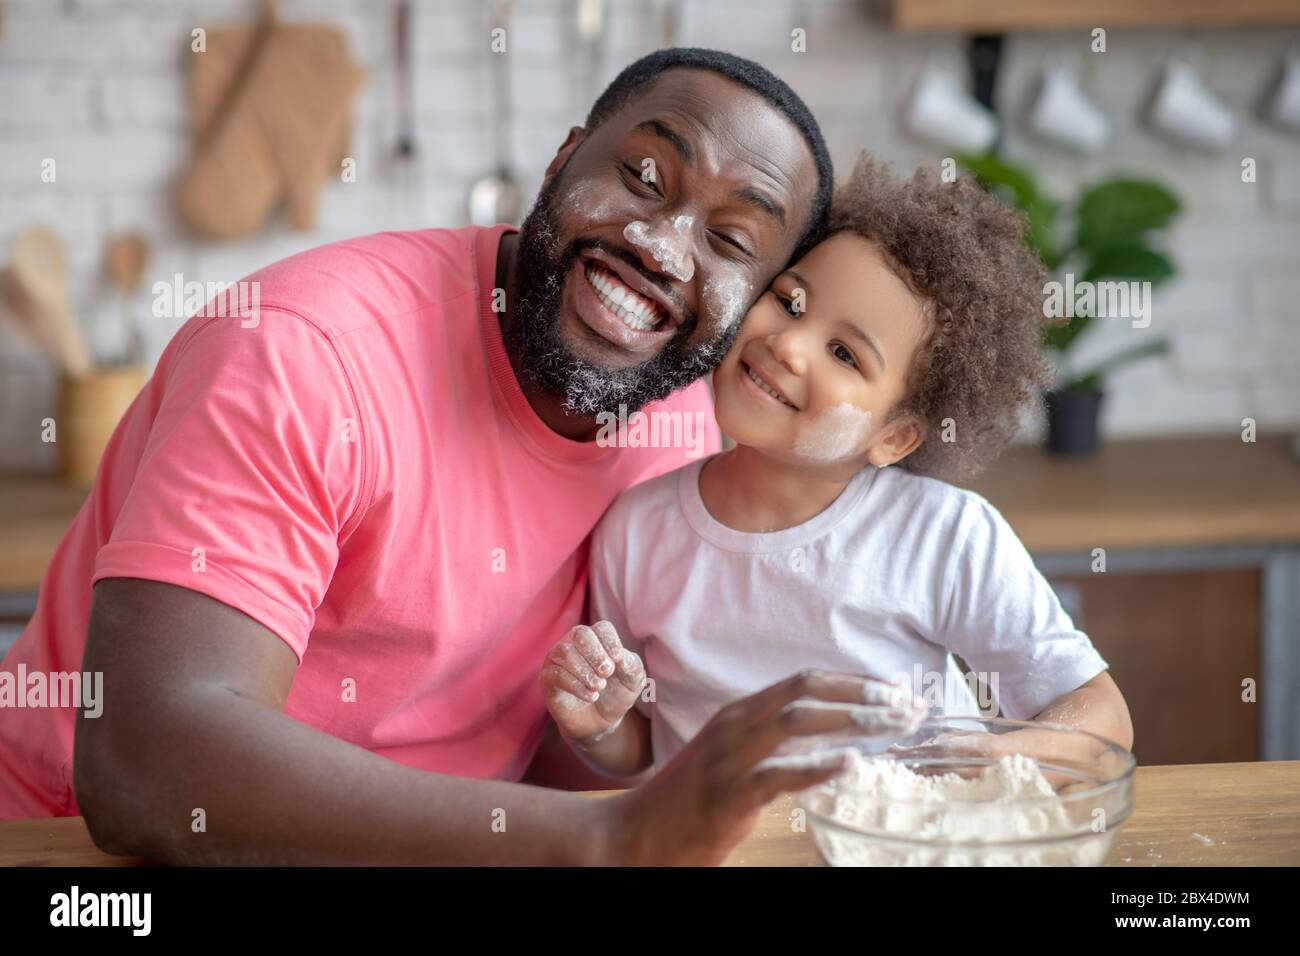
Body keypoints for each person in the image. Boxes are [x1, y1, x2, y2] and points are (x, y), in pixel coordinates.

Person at [0, 49, 898, 866]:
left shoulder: (683, 429)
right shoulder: (301, 353)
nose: (660, 246)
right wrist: (611, 836)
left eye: (733, 242)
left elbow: (564, 737)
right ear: (563, 158)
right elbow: (147, 761)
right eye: (644, 177)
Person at [539, 155, 1135, 780]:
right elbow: (645, 749)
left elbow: (1101, 718)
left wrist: (986, 759)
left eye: (845, 353)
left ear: (896, 436)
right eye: (791, 302)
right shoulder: (635, 531)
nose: (788, 346)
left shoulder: (944, 536)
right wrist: (599, 725)